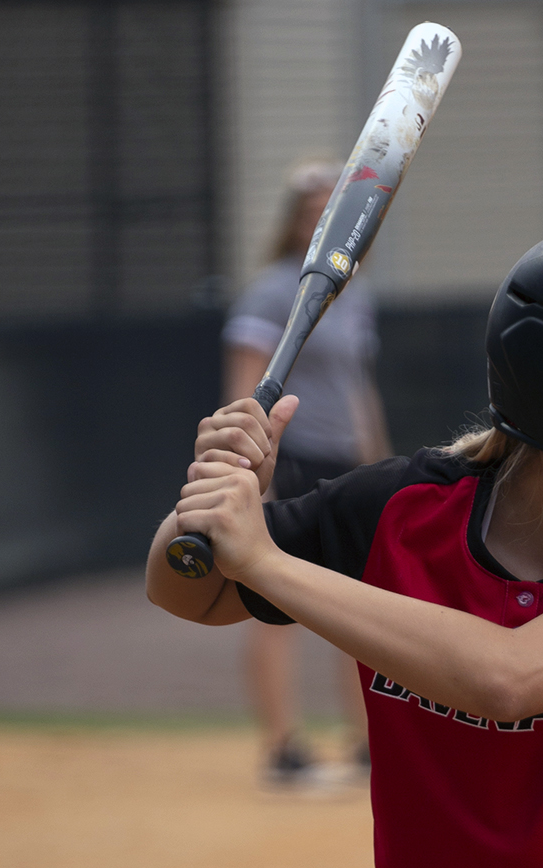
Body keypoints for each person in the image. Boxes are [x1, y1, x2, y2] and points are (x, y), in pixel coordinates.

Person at [147, 227, 543, 865]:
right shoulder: (401, 511)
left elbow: (510, 678)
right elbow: (191, 592)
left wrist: (263, 560)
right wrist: (211, 498)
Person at [221, 160, 391, 789]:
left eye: (336, 209)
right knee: (272, 598)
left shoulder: (357, 292)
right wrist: (246, 468)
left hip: (345, 459)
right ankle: (281, 745)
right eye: (313, 210)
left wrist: (378, 465)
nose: (326, 220)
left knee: (356, 604)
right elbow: (243, 383)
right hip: (288, 455)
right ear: (294, 223)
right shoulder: (271, 290)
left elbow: (358, 387)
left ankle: (369, 741)